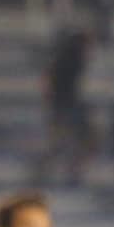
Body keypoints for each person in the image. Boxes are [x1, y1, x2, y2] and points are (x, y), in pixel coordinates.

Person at [38, 23, 95, 184]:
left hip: (66, 104)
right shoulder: (70, 59)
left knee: (63, 141)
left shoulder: (67, 59)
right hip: (65, 105)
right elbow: (49, 81)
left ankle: (61, 169)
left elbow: (48, 80)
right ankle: (65, 170)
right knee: (65, 140)